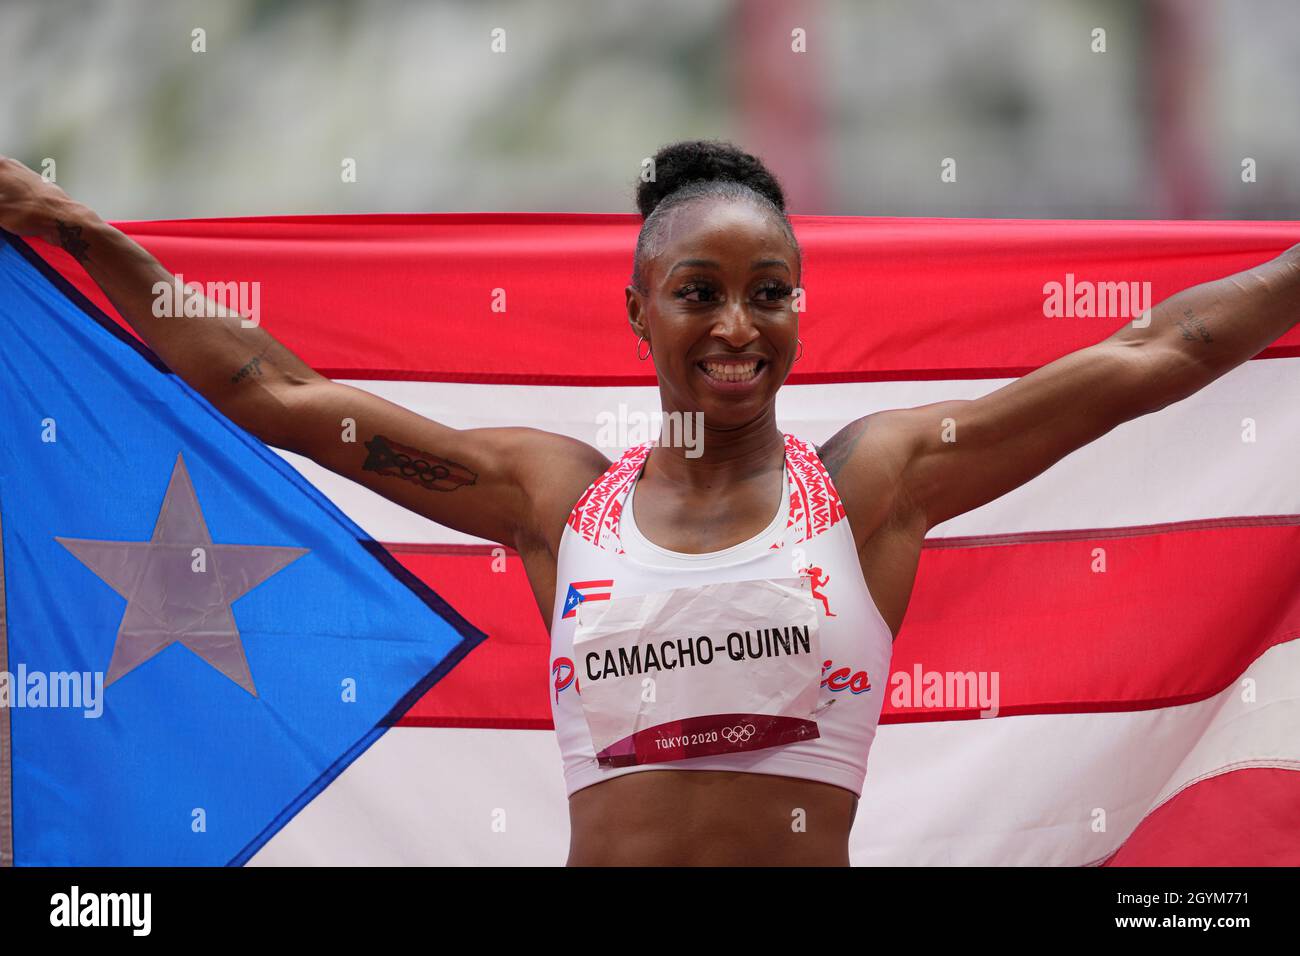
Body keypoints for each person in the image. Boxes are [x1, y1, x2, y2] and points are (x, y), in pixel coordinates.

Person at [1, 140, 1298, 867]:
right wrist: (77, 229)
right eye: (700, 290)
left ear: (799, 305)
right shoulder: (551, 497)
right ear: (640, 310)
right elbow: (279, 393)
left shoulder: (877, 483)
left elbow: (1149, 362)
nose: (738, 325)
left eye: (770, 290)